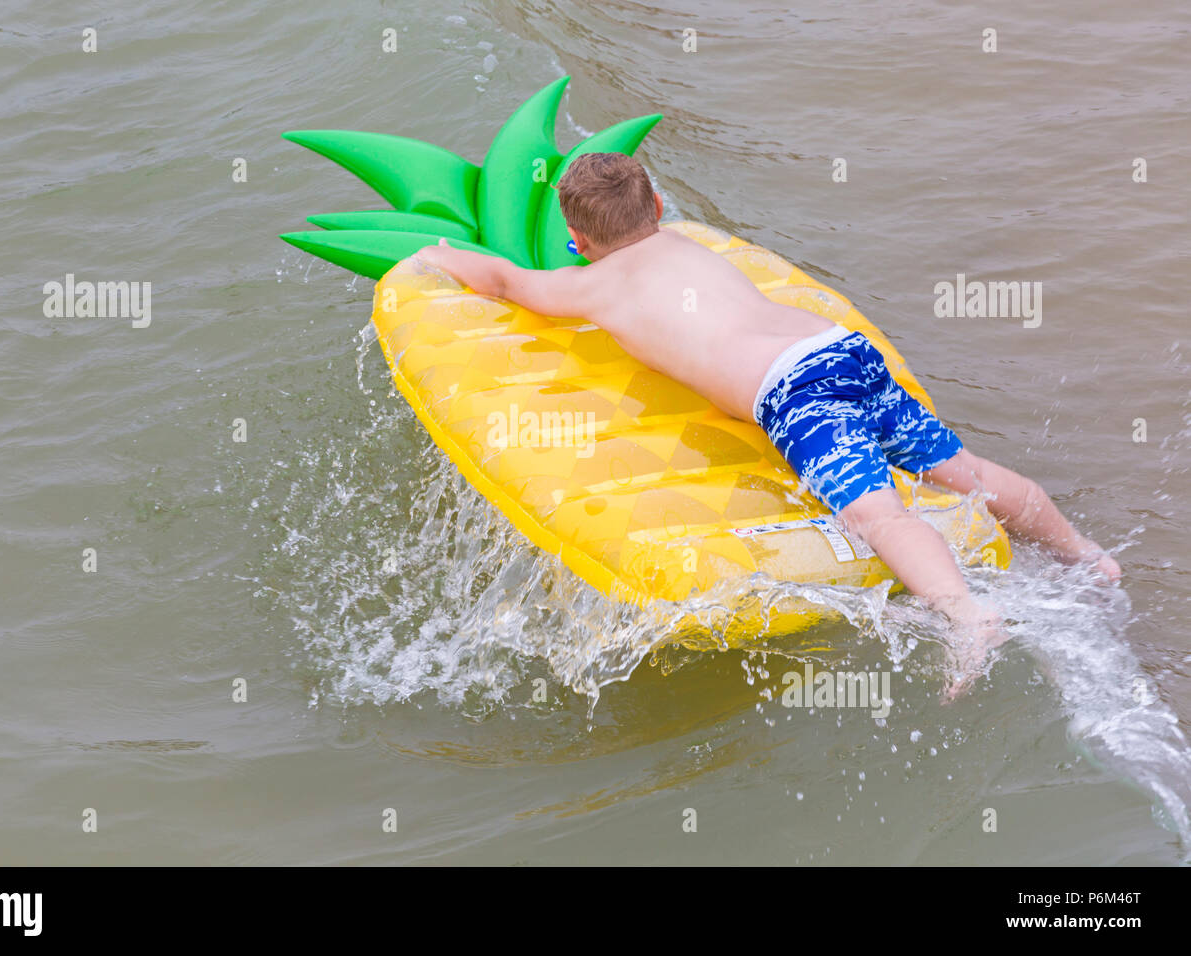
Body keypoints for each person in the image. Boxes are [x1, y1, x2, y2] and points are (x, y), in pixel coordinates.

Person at [415, 152, 1120, 688]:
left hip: (796, 393)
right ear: (658, 205)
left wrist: (439, 258)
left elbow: (507, 283)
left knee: (878, 516)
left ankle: (967, 615)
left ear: (575, 238)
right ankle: (1081, 551)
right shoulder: (688, 243)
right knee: (959, 471)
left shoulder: (591, 284)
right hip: (839, 350)